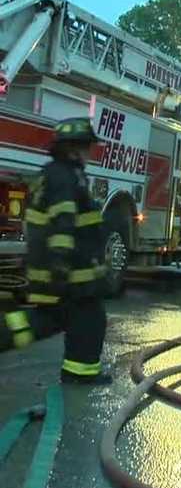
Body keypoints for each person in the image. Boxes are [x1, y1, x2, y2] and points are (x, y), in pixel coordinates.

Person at [1, 118, 111, 385]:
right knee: (87, 317)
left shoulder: (54, 173)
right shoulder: (64, 177)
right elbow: (63, 221)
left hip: (59, 270)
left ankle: (78, 371)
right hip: (69, 272)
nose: (89, 153)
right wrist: (61, 261)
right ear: (73, 148)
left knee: (47, 321)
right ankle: (79, 373)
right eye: (87, 147)